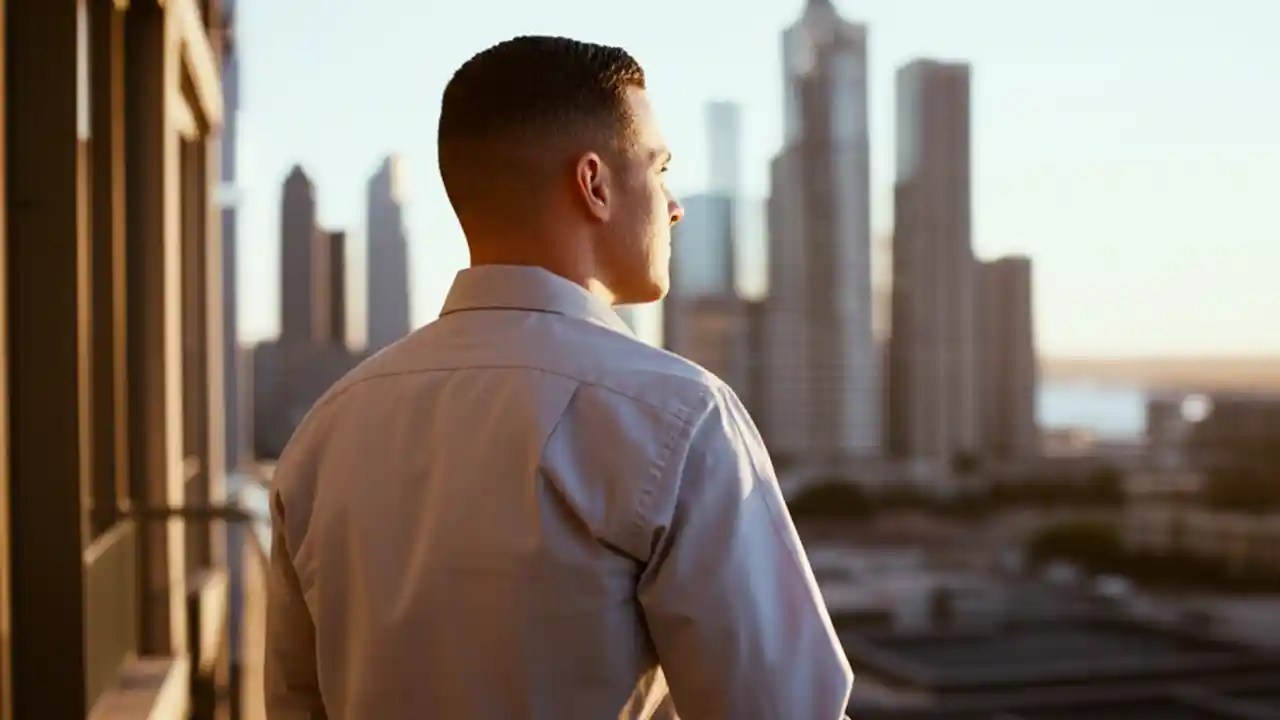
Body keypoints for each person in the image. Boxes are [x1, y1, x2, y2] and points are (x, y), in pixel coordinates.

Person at [265, 35, 852, 719]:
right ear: (595, 184)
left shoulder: (326, 430)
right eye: (659, 168)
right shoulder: (678, 417)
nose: (674, 204)